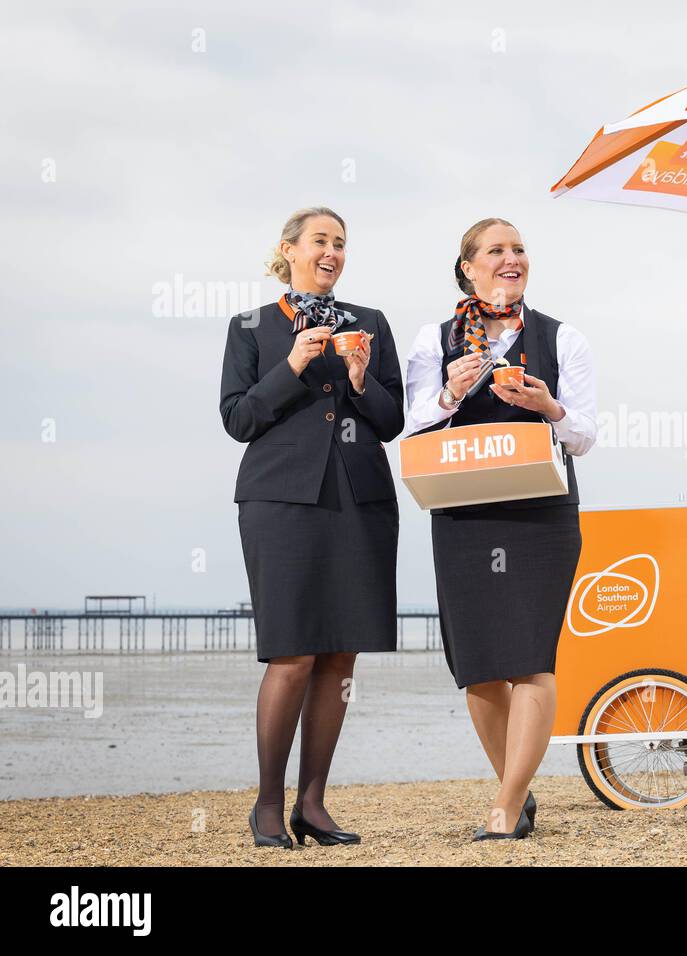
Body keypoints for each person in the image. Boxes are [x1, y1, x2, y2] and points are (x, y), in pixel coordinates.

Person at [405, 218, 597, 841]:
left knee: (531, 659)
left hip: (541, 515)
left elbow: (586, 438)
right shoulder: (433, 343)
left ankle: (506, 807)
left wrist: (550, 408)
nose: (511, 258)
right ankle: (519, 788)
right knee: (481, 667)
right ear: (468, 267)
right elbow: (411, 434)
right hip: (465, 513)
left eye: (518, 249)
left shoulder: (562, 339)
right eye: (496, 251)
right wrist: (447, 397)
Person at [219, 206, 404, 849]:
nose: (332, 252)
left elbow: (391, 420)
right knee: (293, 654)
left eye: (341, 244)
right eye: (321, 241)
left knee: (340, 655)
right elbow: (239, 419)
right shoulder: (251, 326)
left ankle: (313, 805)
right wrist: (294, 363)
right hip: (280, 503)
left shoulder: (370, 324)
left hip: (359, 501)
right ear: (290, 249)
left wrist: (358, 379)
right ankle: (268, 806)